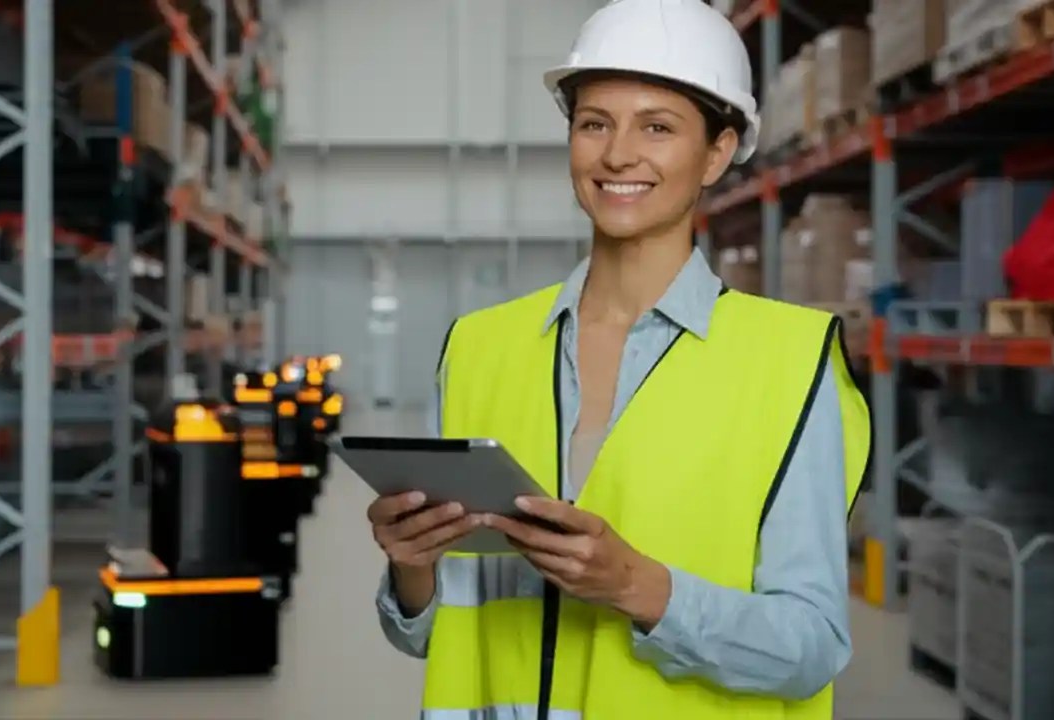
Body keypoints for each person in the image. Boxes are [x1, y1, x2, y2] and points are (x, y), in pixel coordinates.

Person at [366, 0, 871, 717]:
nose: (617, 155)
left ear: (718, 152)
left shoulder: (791, 363)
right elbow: (425, 634)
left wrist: (639, 587)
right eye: (594, 123)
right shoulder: (479, 348)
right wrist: (410, 566)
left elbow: (812, 645)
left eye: (657, 127)